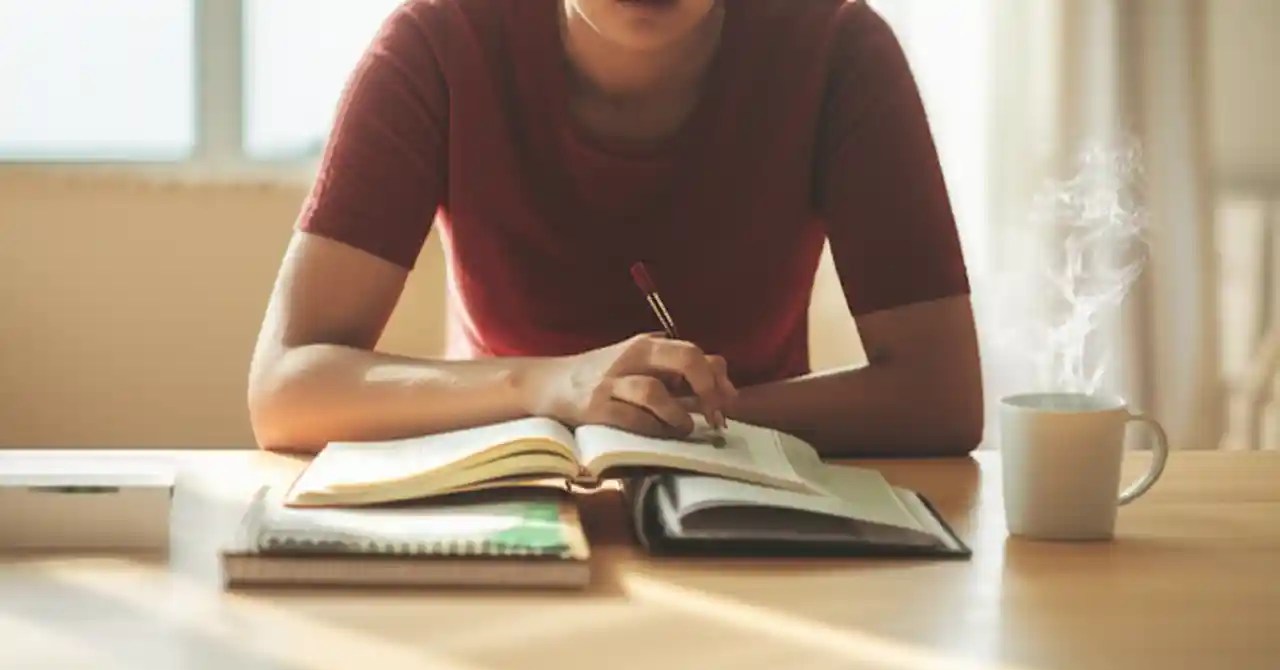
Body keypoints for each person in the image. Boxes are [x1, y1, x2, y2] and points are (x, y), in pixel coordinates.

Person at [247, 0, 983, 457]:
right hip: (502, 494)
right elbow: (286, 388)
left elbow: (941, 397)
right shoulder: (437, 43)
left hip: (749, 506)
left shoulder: (838, 49)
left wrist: (678, 420)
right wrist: (549, 385)